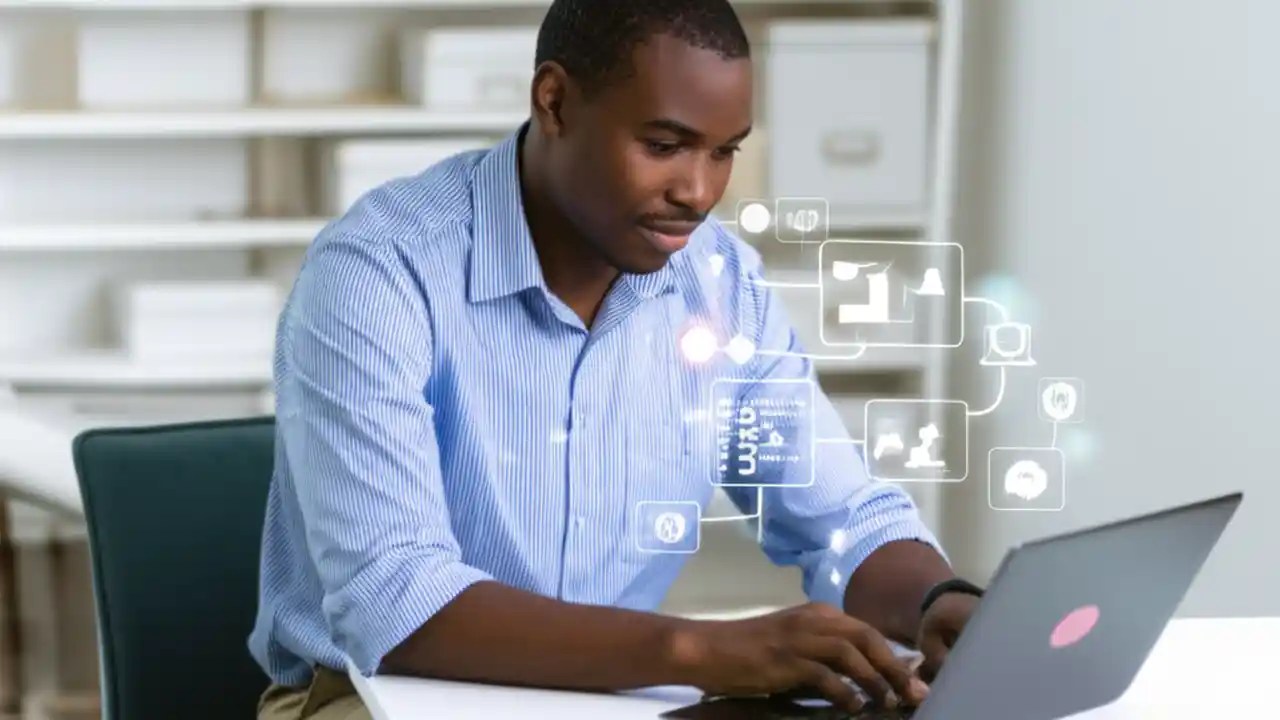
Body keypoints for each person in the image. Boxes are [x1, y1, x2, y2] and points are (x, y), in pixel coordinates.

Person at [249, 1, 980, 718]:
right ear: (555, 102)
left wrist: (937, 602)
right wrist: (703, 651)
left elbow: (845, 519)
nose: (698, 192)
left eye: (724, 152)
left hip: (603, 699)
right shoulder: (379, 271)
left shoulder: (723, 286)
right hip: (366, 698)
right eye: (663, 146)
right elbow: (394, 603)